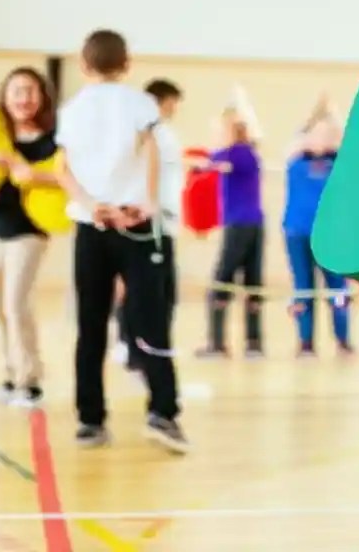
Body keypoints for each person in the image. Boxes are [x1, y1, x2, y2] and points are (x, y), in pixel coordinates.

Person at [54, 30, 187, 453]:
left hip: (92, 226)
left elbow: (61, 169)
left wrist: (92, 204)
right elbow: (150, 149)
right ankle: (163, 413)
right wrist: (147, 201)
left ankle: (90, 420)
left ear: (83, 65)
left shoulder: (71, 109)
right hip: (138, 225)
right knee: (152, 322)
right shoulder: (140, 103)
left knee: (91, 326)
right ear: (127, 64)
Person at [0, 67, 60, 408]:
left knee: (16, 305)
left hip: (29, 232)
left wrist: (32, 174)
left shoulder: (54, 139)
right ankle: (9, 376)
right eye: (17, 91)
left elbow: (67, 179)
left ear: (42, 97)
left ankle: (31, 382)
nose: (23, 98)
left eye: (30, 91)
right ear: (5, 96)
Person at [114, 79, 184, 368]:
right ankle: (138, 352)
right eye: (173, 103)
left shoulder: (164, 134)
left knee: (164, 293)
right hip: (149, 223)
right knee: (150, 294)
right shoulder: (149, 133)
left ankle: (144, 352)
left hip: (164, 222)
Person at [192, 109, 266, 358]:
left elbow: (215, 164)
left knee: (222, 281)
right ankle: (252, 344)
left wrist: (204, 163)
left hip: (241, 226)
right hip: (250, 224)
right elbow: (207, 163)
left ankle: (219, 344)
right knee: (251, 281)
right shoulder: (241, 153)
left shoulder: (240, 153)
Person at [283, 96, 351, 356]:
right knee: (303, 288)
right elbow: (295, 138)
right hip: (298, 232)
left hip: (331, 235)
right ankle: (306, 342)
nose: (322, 139)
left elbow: (347, 138)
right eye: (316, 134)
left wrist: (332, 118)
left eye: (328, 134)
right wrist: (315, 117)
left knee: (337, 289)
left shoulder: (340, 162)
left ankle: (343, 340)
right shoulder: (296, 160)